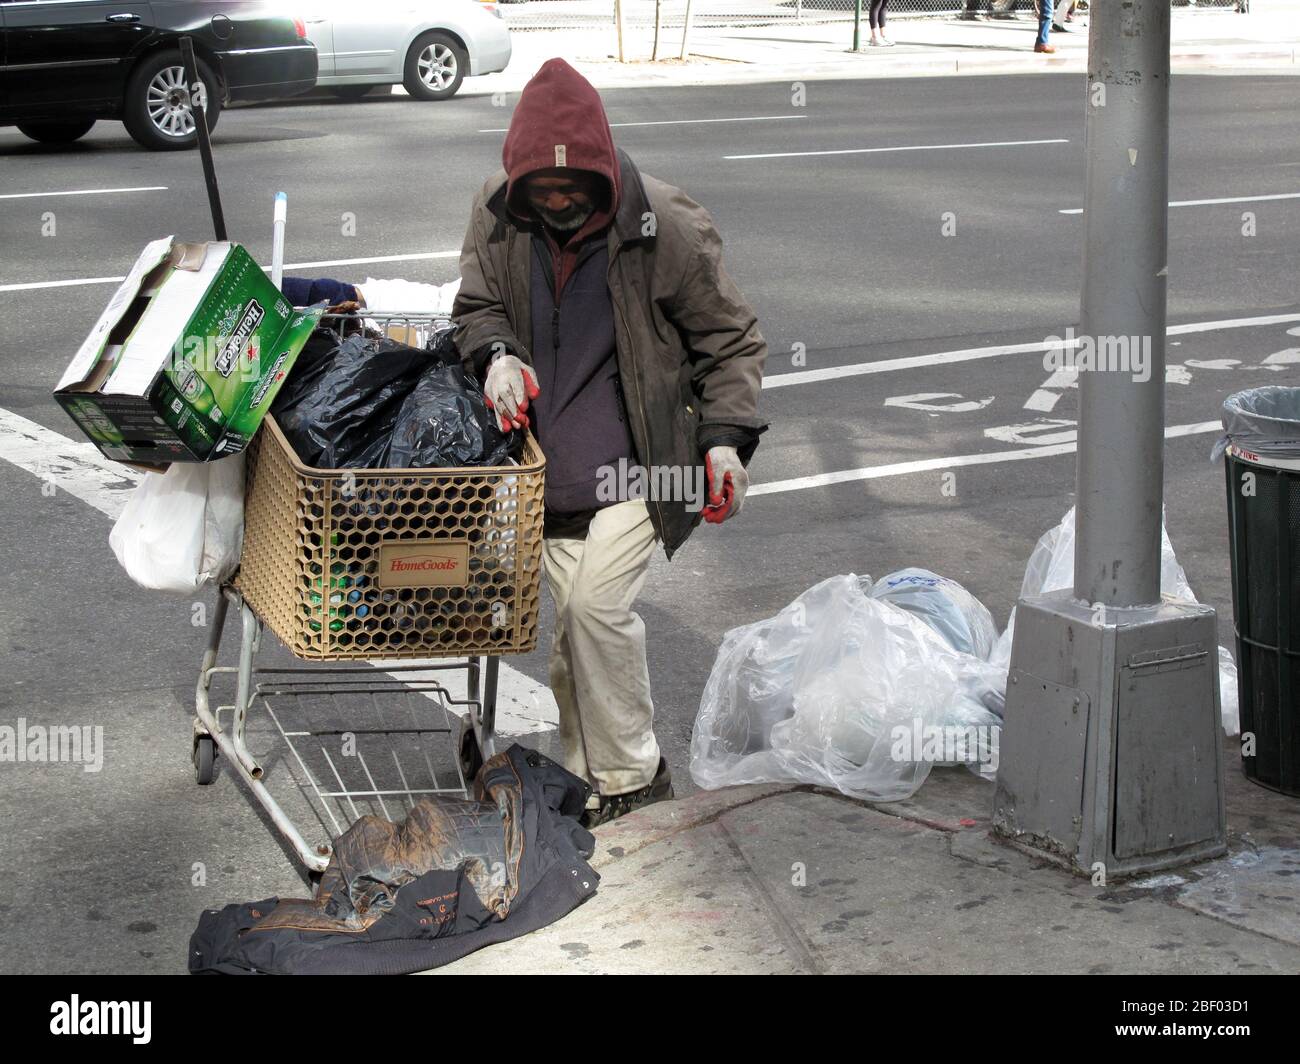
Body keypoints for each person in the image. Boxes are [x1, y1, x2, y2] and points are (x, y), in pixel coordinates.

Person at [452, 58, 768, 829]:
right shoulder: (497, 213)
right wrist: (496, 356)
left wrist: (725, 444)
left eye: (572, 190)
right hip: (548, 474)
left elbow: (731, 344)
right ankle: (578, 766)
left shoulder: (666, 224)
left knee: (595, 610)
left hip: (650, 467)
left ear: (602, 176)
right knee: (574, 636)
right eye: (543, 191)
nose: (557, 202)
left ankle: (636, 776)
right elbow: (477, 305)